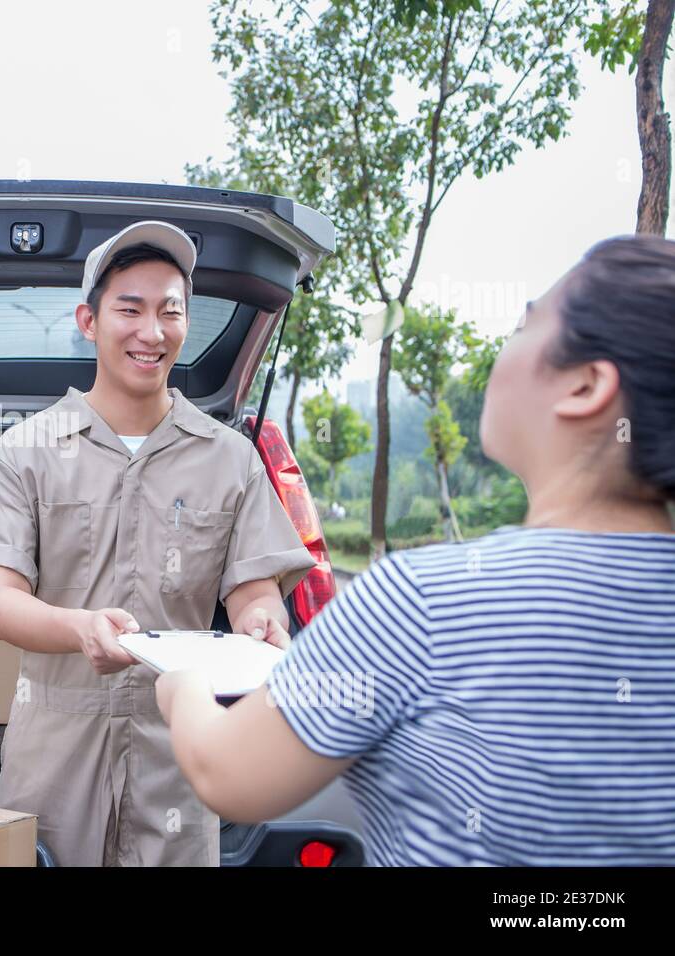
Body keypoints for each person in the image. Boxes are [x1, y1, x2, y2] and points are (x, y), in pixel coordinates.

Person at [156, 235, 675, 865]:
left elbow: (226, 774)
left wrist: (182, 681)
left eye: (524, 324)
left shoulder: (426, 601)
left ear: (586, 386)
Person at [0, 220, 316, 866]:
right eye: (130, 309)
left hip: (177, 758)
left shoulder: (231, 460)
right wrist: (80, 627)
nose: (152, 332)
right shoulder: (25, 451)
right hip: (52, 763)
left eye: (170, 311)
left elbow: (257, 591)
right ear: (88, 321)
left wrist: (261, 620)